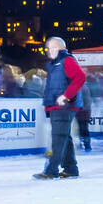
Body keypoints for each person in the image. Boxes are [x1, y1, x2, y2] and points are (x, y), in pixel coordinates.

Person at [34, 37, 86, 180]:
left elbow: (80, 77)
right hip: (58, 107)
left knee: (58, 139)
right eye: (48, 48)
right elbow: (52, 87)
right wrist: (49, 106)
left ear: (59, 48)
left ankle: (51, 170)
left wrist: (66, 96)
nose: (48, 51)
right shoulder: (55, 64)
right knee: (65, 138)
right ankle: (71, 169)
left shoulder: (67, 60)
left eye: (51, 47)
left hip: (64, 107)